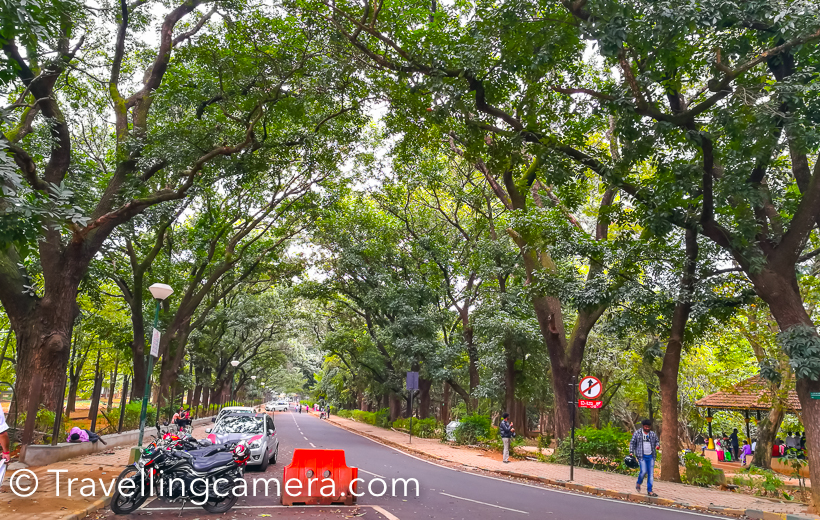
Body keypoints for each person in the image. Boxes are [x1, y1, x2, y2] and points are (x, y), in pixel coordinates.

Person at [630, 419, 660, 497]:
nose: (647, 428)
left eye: (648, 427)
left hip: (651, 456)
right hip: (641, 455)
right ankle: (639, 482)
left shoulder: (652, 434)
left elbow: (657, 441)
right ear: (643, 426)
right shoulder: (637, 433)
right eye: (646, 427)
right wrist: (631, 452)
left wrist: (657, 445)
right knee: (643, 471)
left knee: (650, 474)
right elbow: (632, 442)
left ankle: (650, 491)